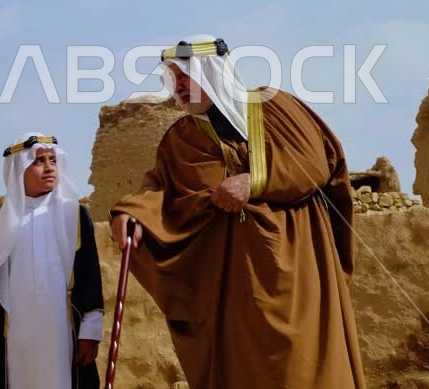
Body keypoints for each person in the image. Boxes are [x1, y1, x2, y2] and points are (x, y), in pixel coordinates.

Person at [110, 34, 366, 388]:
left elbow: (315, 164)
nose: (177, 86)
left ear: (213, 71)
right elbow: (160, 191)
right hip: (234, 287)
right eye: (171, 78)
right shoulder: (181, 139)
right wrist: (132, 215)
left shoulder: (276, 106)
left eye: (184, 75)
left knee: (305, 370)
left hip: (300, 275)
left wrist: (254, 182)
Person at [0, 133, 105, 389]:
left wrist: (90, 331)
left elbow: (89, 274)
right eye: (39, 161)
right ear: (19, 168)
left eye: (53, 160)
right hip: (17, 333)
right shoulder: (3, 222)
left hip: (61, 330)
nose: (49, 167)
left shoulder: (74, 215)